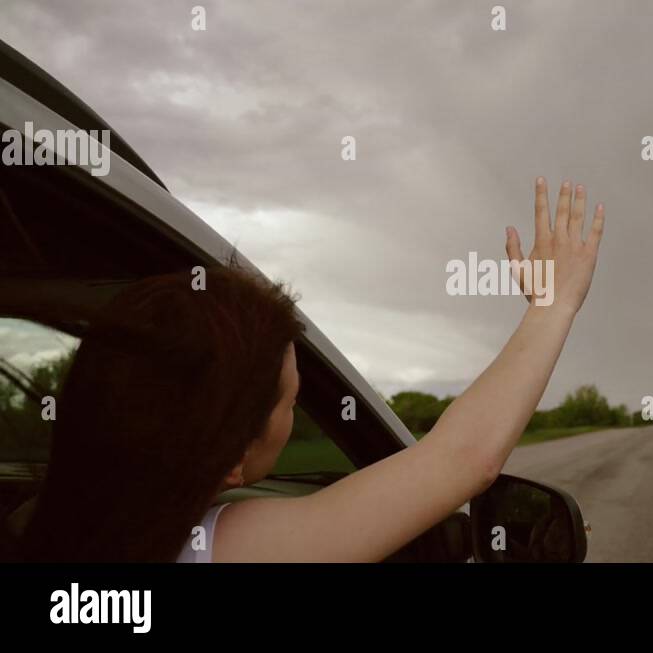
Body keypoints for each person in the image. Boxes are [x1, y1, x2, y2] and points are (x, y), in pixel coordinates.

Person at [21, 177, 605, 562]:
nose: (295, 411)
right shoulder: (216, 550)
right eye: (289, 403)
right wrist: (555, 306)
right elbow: (462, 459)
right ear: (228, 458)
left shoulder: (30, 523)